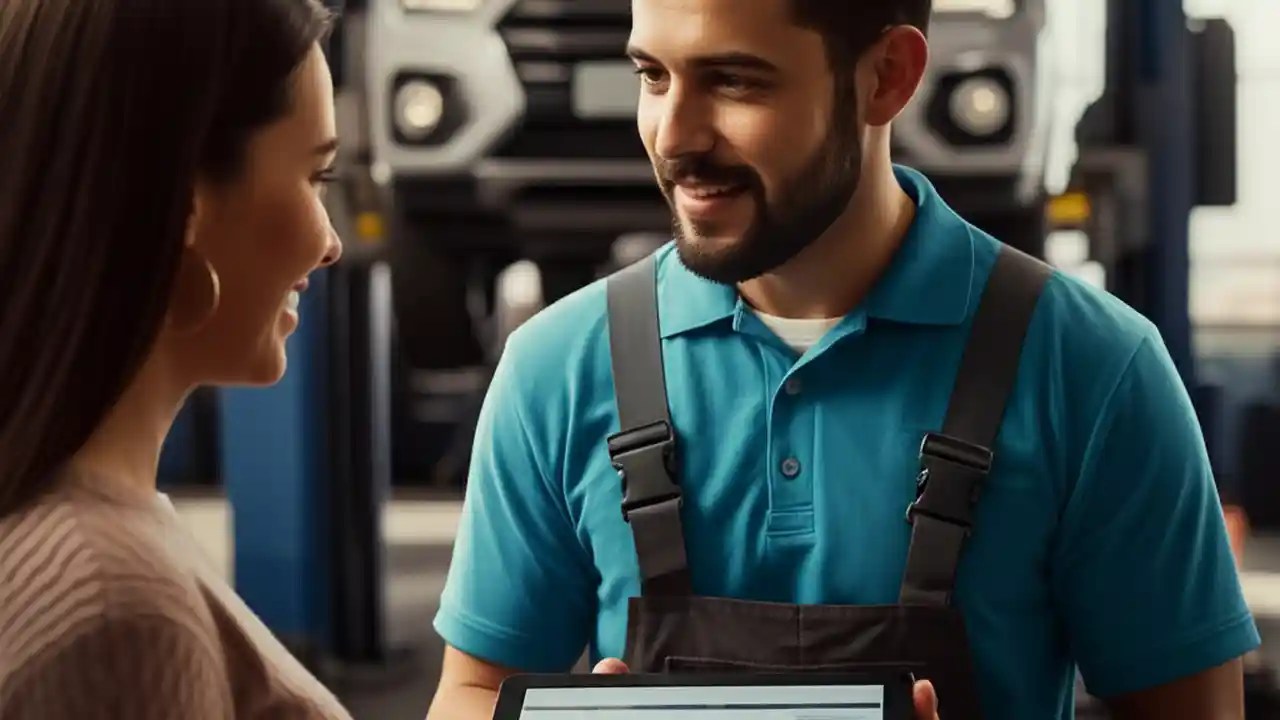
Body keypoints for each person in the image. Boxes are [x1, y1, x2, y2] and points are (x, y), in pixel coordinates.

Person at [427, 0, 1259, 718]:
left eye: (734, 81)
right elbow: (471, 693)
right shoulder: (559, 369)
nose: (673, 135)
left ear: (887, 76)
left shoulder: (1091, 370)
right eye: (653, 75)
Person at [0, 0, 350, 717]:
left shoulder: (62, 530)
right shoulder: (119, 616)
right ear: (188, 205)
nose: (331, 242)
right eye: (318, 179)